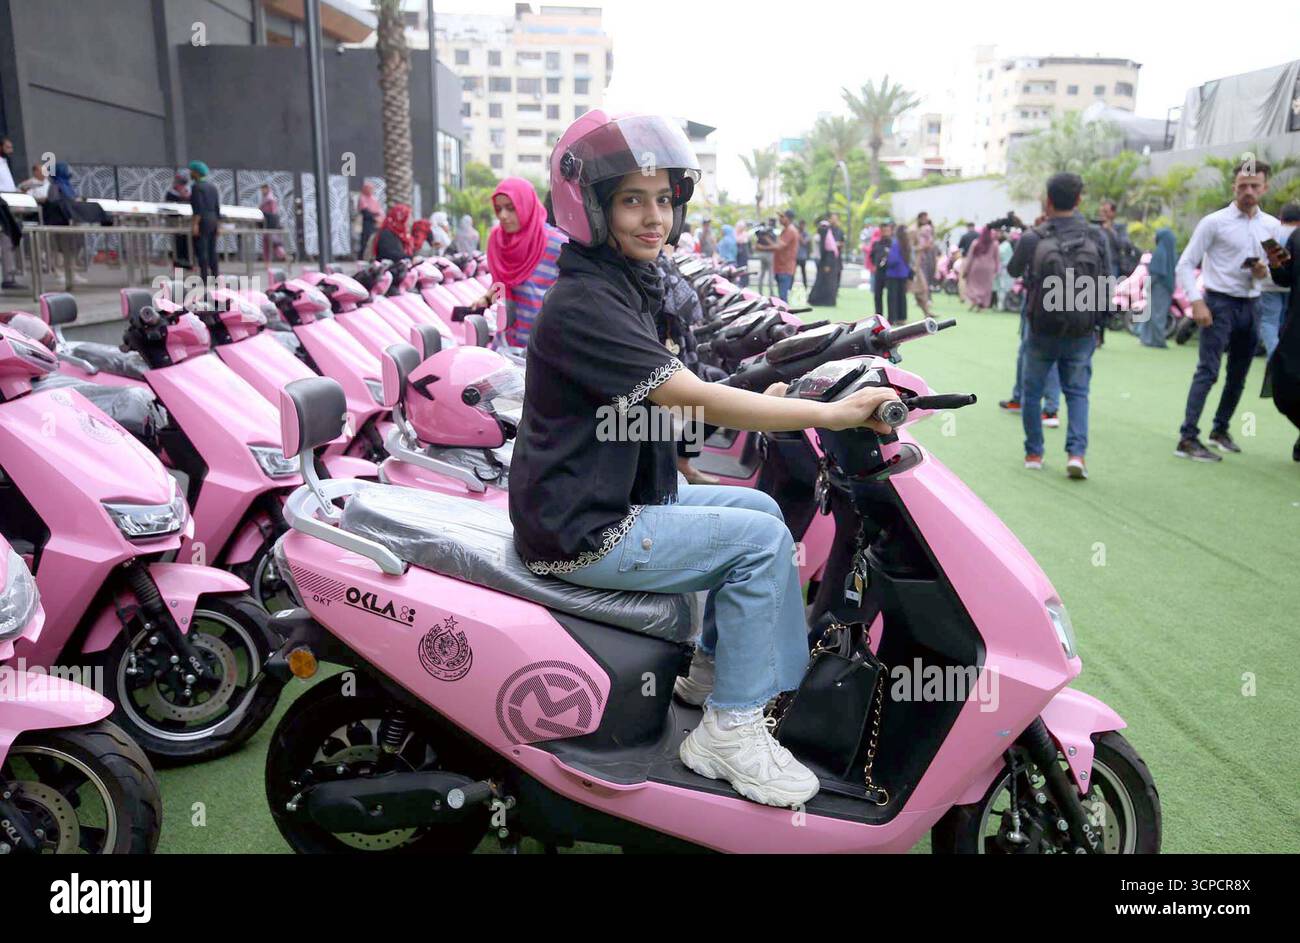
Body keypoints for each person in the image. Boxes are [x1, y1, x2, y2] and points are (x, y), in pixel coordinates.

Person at [508, 110, 900, 808]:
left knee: (753, 505)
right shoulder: (585, 303)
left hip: (608, 499)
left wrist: (759, 401)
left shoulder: (625, 283)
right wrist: (829, 413)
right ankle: (731, 727)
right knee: (758, 542)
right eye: (632, 200)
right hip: (583, 526)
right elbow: (694, 397)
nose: (653, 216)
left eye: (663, 199)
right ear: (591, 207)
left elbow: (662, 399)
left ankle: (711, 672)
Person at [1174, 159, 1281, 462]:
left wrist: (1265, 273)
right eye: (1243, 186)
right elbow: (1185, 264)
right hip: (1218, 302)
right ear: (1233, 186)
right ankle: (1187, 436)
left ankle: (1220, 430)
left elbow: (1280, 270)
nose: (1248, 191)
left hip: (1252, 304)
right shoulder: (1214, 222)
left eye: (1254, 186)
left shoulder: (1270, 226)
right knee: (1208, 372)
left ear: (1264, 187)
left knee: (1239, 374)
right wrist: (1197, 301)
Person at [1007, 172, 1108, 479]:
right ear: (1079, 200)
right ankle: (1076, 455)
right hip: (1081, 329)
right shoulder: (1096, 237)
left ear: (1048, 200)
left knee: (1032, 391)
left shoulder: (1034, 237)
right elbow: (1106, 282)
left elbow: (1013, 270)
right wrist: (1098, 325)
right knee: (1077, 393)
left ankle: (1034, 452)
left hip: (1041, 328)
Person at [486, 176, 566, 349]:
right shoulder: (498, 242)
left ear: (526, 205)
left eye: (510, 208)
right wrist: (486, 299)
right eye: (498, 209)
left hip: (545, 346)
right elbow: (499, 287)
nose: (503, 216)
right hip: (506, 344)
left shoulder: (557, 244)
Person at [1264, 202, 1300, 460]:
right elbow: (1285, 279)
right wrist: (1276, 264)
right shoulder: (1298, 238)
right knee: (1283, 382)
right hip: (1297, 324)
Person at [1258, 203, 1297, 360]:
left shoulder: (1272, 231)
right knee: (1286, 322)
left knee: (1269, 321)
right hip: (1292, 284)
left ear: (1281, 218)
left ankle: (1274, 358)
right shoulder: (1297, 234)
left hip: (1269, 281)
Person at [43, 162, 84, 290]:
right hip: (58, 222)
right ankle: (59, 272)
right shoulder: (55, 187)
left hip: (70, 221)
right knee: (59, 249)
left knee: (71, 249)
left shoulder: (67, 186)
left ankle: (72, 272)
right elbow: (55, 203)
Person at [1140, 228, 1177, 348]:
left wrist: (1147, 285)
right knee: (1157, 314)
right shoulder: (1171, 252)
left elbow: (1156, 272)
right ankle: (1150, 339)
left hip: (1158, 287)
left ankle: (1157, 341)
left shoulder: (1160, 252)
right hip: (1166, 287)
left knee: (1156, 315)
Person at [188, 160, 222, 284]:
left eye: (191, 171)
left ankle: (204, 278)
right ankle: (216, 277)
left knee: (202, 250)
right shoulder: (213, 187)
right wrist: (218, 225)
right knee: (212, 250)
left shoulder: (196, 187)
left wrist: (195, 224)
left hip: (203, 221)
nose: (190, 173)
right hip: (213, 219)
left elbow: (198, 207)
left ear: (196, 173)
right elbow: (217, 207)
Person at [962, 226, 998, 310]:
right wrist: (996, 269)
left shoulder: (976, 243)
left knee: (973, 284)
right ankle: (981, 304)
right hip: (989, 269)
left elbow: (970, 257)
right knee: (986, 286)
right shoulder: (995, 244)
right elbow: (996, 258)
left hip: (976, 267)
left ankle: (975, 300)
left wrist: (966, 269)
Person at [807, 217, 840, 306]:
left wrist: (827, 265)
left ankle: (826, 301)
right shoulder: (820, 236)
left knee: (827, 282)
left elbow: (830, 251)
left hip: (828, 263)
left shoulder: (826, 237)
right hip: (821, 261)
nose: (823, 229)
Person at [163, 172, 191, 271]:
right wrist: (181, 197)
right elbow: (169, 208)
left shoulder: (188, 192)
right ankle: (178, 264)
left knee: (188, 244)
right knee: (177, 245)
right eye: (180, 184)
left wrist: (187, 197)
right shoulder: (170, 194)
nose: (181, 186)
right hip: (175, 223)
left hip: (187, 224)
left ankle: (188, 263)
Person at [884, 224, 912, 324]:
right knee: (902, 297)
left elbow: (893, 260)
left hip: (893, 274)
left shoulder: (895, 243)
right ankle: (902, 318)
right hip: (904, 274)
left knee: (892, 297)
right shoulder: (908, 244)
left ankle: (892, 319)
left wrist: (887, 258)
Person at [771, 209, 799, 302]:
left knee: (783, 299)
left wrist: (763, 246)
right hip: (781, 267)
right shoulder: (785, 230)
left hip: (785, 268)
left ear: (789, 218)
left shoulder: (790, 231)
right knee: (782, 297)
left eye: (782, 217)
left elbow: (779, 246)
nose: (780, 219)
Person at [870, 221, 894, 316]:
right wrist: (875, 265)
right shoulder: (876, 244)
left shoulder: (894, 244)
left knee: (891, 296)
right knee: (877, 295)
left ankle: (891, 317)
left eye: (887, 230)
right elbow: (872, 256)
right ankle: (879, 316)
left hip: (890, 272)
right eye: (883, 230)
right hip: (879, 272)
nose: (885, 232)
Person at [259, 183, 285, 263]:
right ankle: (267, 261)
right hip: (267, 225)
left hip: (271, 225)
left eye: (263, 189)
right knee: (268, 243)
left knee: (274, 243)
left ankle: (283, 255)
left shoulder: (270, 200)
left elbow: (273, 212)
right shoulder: (265, 199)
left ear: (267, 189)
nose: (262, 191)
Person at [356, 182, 383, 258]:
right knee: (365, 241)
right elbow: (365, 212)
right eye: (369, 188)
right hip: (367, 223)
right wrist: (375, 217)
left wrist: (379, 218)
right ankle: (362, 257)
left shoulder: (373, 198)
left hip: (375, 223)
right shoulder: (362, 198)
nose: (371, 190)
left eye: (372, 188)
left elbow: (378, 210)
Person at [754, 218, 776, 295]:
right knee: (769, 273)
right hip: (768, 254)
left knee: (763, 273)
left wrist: (762, 247)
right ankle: (771, 293)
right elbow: (774, 246)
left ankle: (760, 292)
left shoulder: (765, 233)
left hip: (764, 253)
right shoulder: (768, 233)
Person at [994, 230, 1014, 308]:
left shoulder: (1004, 245)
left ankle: (1001, 305)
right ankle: (1001, 305)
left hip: (1003, 269)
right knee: (1001, 287)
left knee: (1002, 287)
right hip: (1003, 269)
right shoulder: (1005, 245)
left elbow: (1000, 255)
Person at [733, 220, 751, 287]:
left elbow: (745, 241)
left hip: (743, 254)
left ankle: (743, 283)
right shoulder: (733, 233)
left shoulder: (745, 234)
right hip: (735, 255)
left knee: (744, 269)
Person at [795, 218, 811, 289]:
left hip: (803, 257)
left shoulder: (806, 234)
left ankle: (805, 287)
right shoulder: (795, 233)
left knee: (803, 273)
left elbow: (804, 242)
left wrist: (799, 234)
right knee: (792, 273)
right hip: (795, 256)